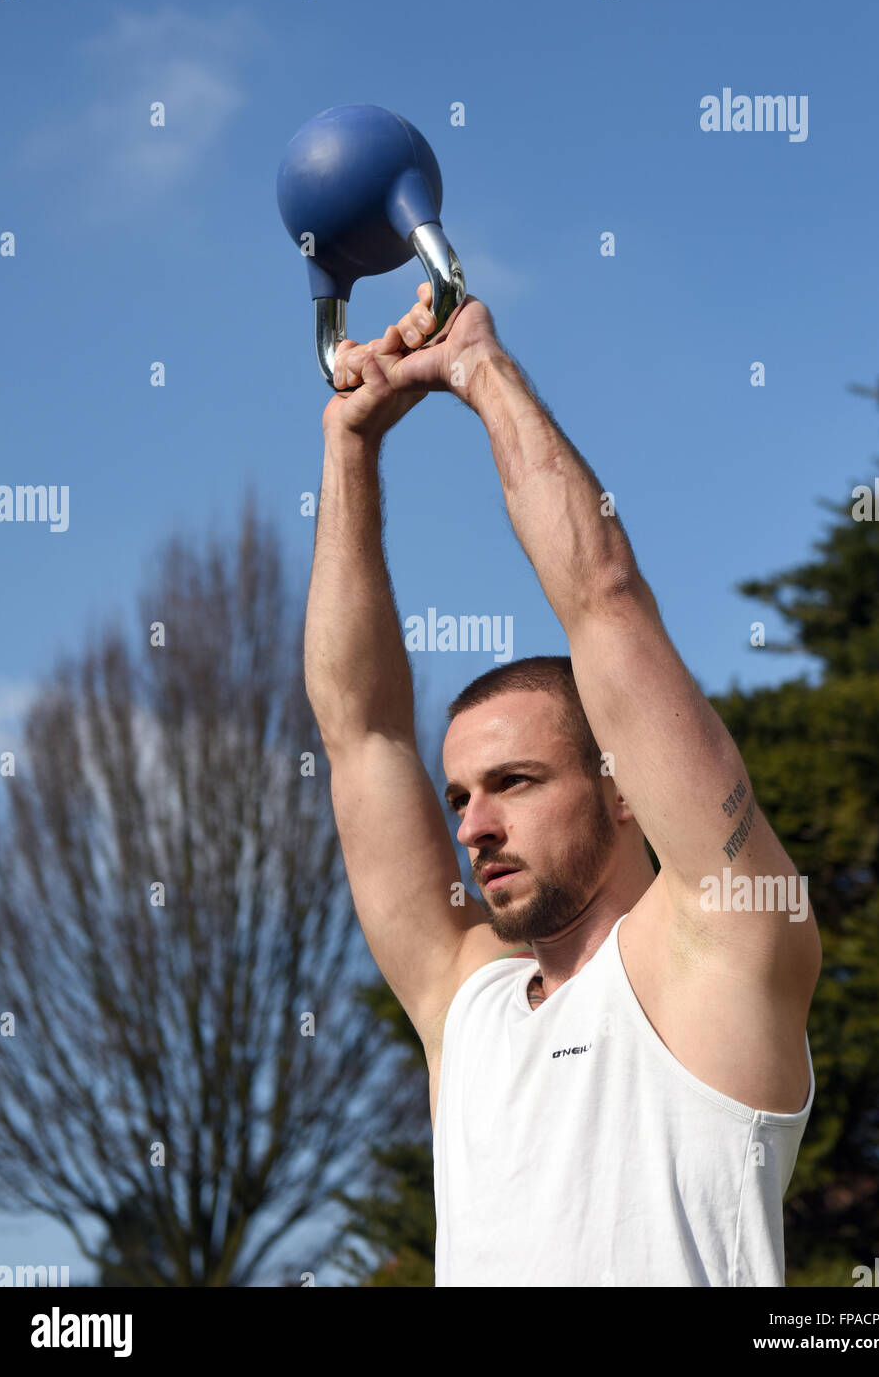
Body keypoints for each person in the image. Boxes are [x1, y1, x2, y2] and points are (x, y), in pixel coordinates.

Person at [304, 284, 822, 1286]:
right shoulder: (470, 1011)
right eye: (459, 798)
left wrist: (478, 369)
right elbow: (359, 730)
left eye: (515, 781)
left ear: (624, 786)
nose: (474, 826)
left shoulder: (720, 946)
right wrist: (349, 444)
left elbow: (605, 602)